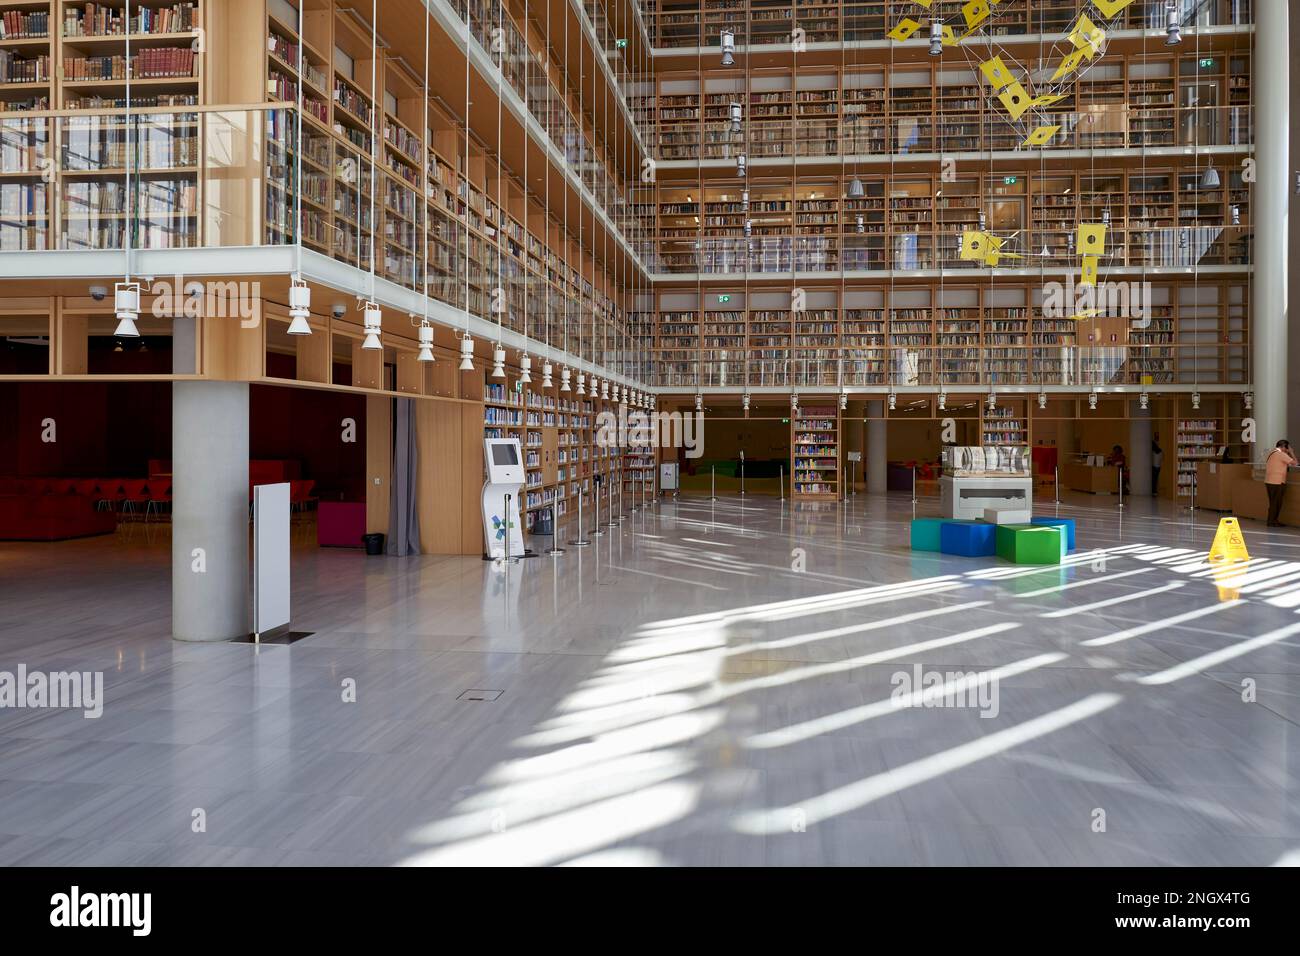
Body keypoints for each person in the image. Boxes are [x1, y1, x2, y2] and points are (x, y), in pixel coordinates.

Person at [1264, 439, 1297, 527]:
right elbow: (1295, 463)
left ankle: (1272, 521)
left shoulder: (1272, 452)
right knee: (1276, 502)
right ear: (1283, 447)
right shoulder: (1281, 454)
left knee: (1273, 502)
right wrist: (1292, 452)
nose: (1288, 450)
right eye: (1287, 448)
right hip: (1277, 482)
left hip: (1269, 481)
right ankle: (1272, 522)